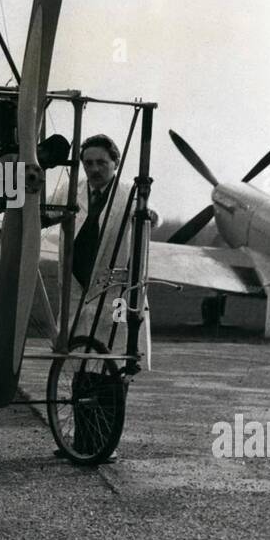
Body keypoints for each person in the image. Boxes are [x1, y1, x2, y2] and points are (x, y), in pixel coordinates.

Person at [46, 134, 158, 461]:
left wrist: (149, 217)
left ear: (115, 163)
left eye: (101, 163)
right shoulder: (74, 192)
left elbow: (153, 216)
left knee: (109, 367)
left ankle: (101, 444)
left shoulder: (128, 195)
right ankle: (79, 443)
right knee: (80, 367)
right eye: (88, 163)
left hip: (115, 293)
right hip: (80, 288)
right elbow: (46, 212)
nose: (94, 169)